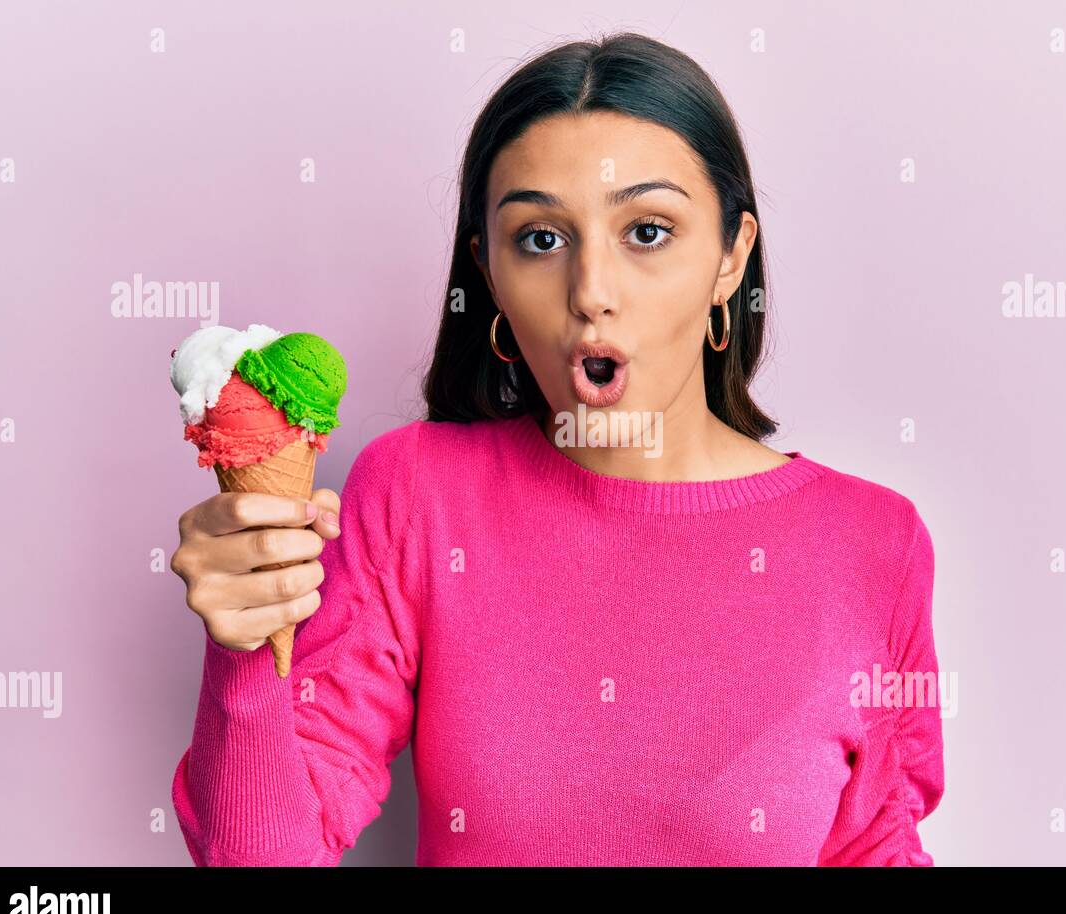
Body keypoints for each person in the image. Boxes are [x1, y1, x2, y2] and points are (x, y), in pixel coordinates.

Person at [170, 31, 945, 866]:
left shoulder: (874, 543)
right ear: (490, 272)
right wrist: (249, 645)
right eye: (541, 238)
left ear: (731, 258)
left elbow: (873, 846)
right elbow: (260, 858)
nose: (591, 295)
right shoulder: (416, 494)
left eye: (648, 231)